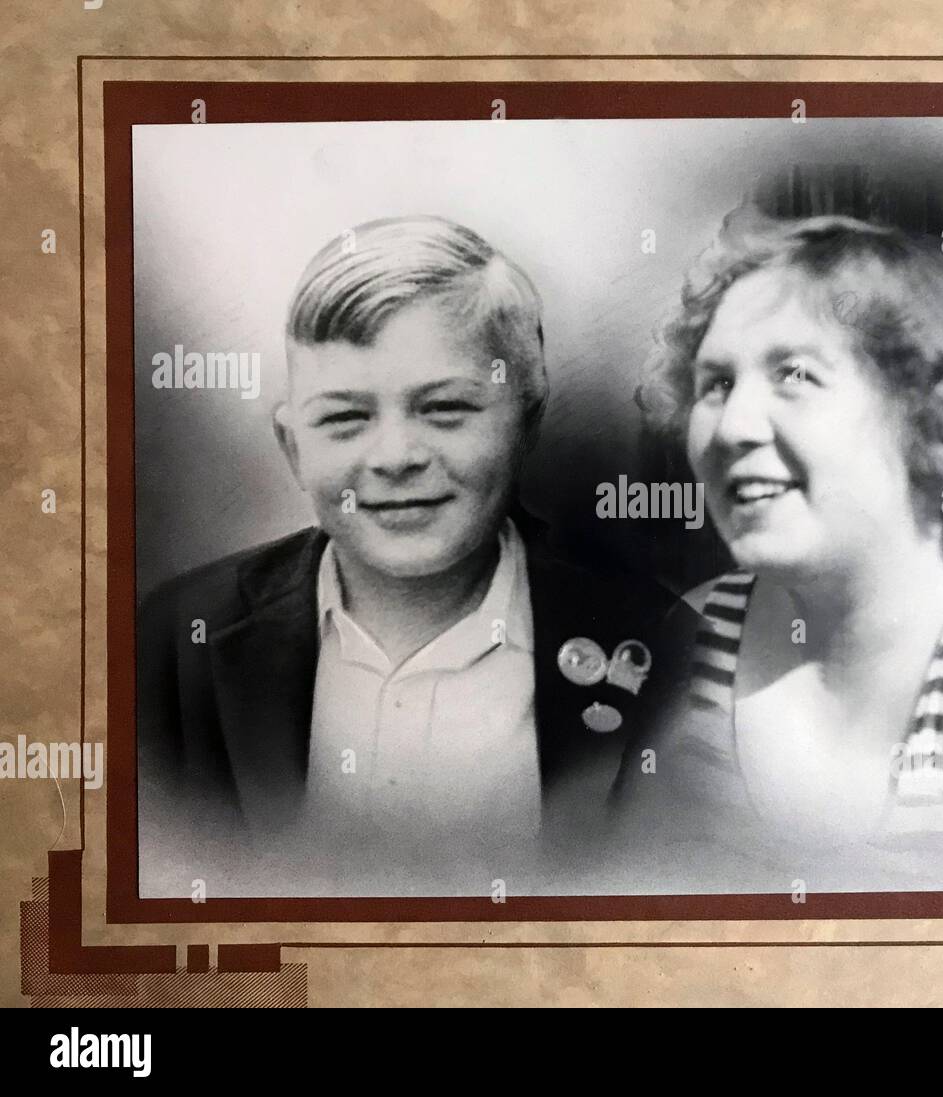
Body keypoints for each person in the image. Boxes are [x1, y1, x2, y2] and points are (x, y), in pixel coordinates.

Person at [137, 215, 688, 896]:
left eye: (445, 408)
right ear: (292, 446)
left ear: (526, 420)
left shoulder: (655, 639)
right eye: (344, 417)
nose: (396, 457)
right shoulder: (175, 641)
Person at [615, 206, 943, 893]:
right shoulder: (697, 631)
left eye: (795, 375)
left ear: (922, 407)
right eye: (715, 384)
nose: (732, 428)